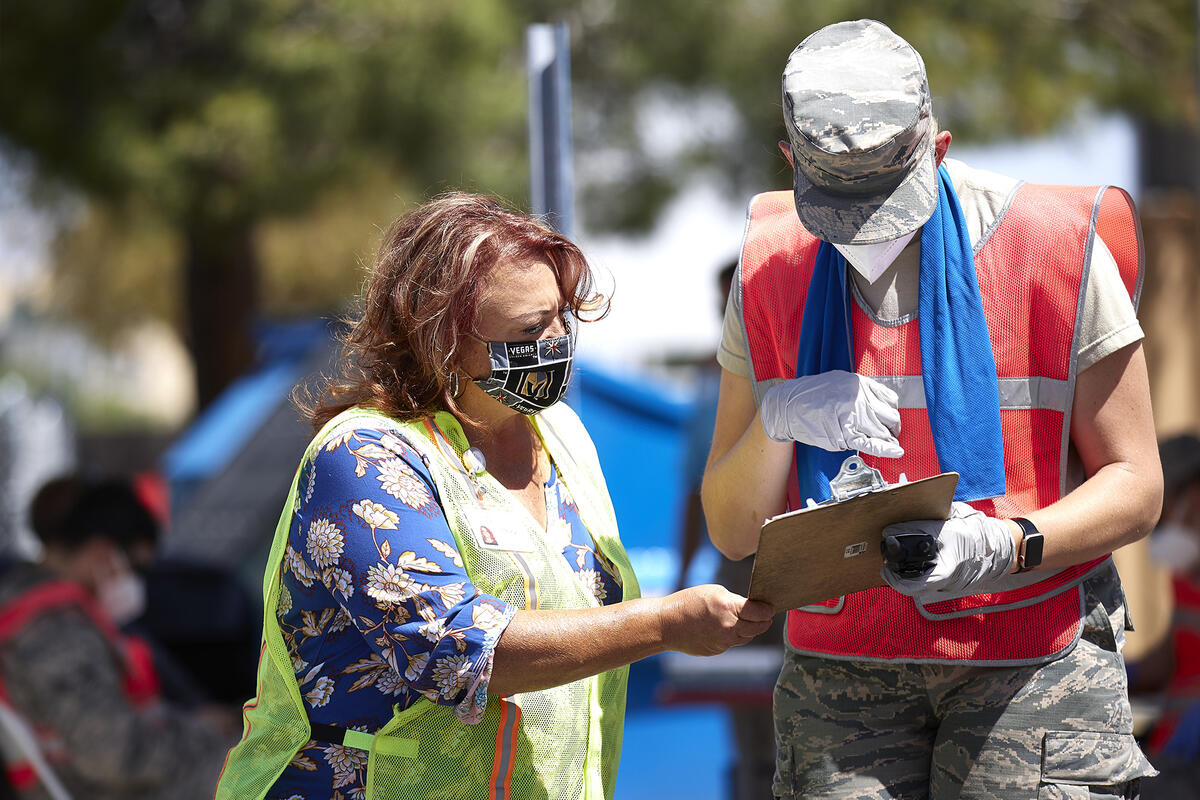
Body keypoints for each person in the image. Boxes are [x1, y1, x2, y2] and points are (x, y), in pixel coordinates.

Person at [701, 19, 1162, 800]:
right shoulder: (770, 267)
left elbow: (1138, 481)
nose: (866, 238)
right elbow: (732, 528)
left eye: (885, 205)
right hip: (843, 668)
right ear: (791, 163)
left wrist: (1004, 544)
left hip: (1032, 656)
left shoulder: (1056, 247)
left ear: (938, 148)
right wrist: (776, 419)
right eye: (841, 213)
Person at [214, 192, 774, 800]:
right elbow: (457, 651)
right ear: (442, 340)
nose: (559, 340)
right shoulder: (364, 458)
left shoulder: (559, 434)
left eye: (562, 316)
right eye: (531, 329)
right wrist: (665, 623)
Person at [0, 475, 233, 799]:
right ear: (101, 553)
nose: (138, 584)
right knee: (276, 767)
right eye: (136, 568)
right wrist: (207, 732)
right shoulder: (55, 632)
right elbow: (114, 756)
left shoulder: (31, 612)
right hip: (118, 790)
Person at [674, 260, 782, 800]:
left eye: (739, 302)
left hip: (797, 556)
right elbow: (697, 490)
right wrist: (682, 574)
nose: (731, 315)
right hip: (739, 563)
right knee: (749, 721)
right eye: (727, 304)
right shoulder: (709, 386)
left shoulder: (797, 366)